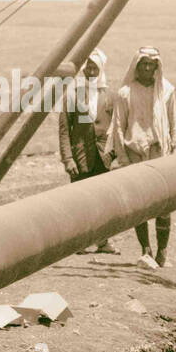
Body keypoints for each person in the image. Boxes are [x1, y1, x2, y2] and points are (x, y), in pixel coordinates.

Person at [106, 45, 176, 267]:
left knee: (165, 204)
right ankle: (145, 250)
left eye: (151, 65)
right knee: (140, 206)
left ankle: (162, 252)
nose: (148, 69)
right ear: (137, 67)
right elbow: (119, 127)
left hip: (160, 154)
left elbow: (174, 122)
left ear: (157, 67)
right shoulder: (125, 93)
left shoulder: (166, 91)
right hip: (135, 154)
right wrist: (123, 159)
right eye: (144, 65)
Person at [58, 49, 117, 253]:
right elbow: (65, 130)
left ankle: (103, 242)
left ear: (101, 69)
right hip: (80, 157)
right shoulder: (73, 94)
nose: (91, 71)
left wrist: (113, 154)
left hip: (103, 157)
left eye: (95, 67)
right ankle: (79, 243)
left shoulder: (110, 96)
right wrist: (68, 159)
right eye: (88, 67)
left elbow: (116, 127)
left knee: (104, 200)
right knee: (79, 201)